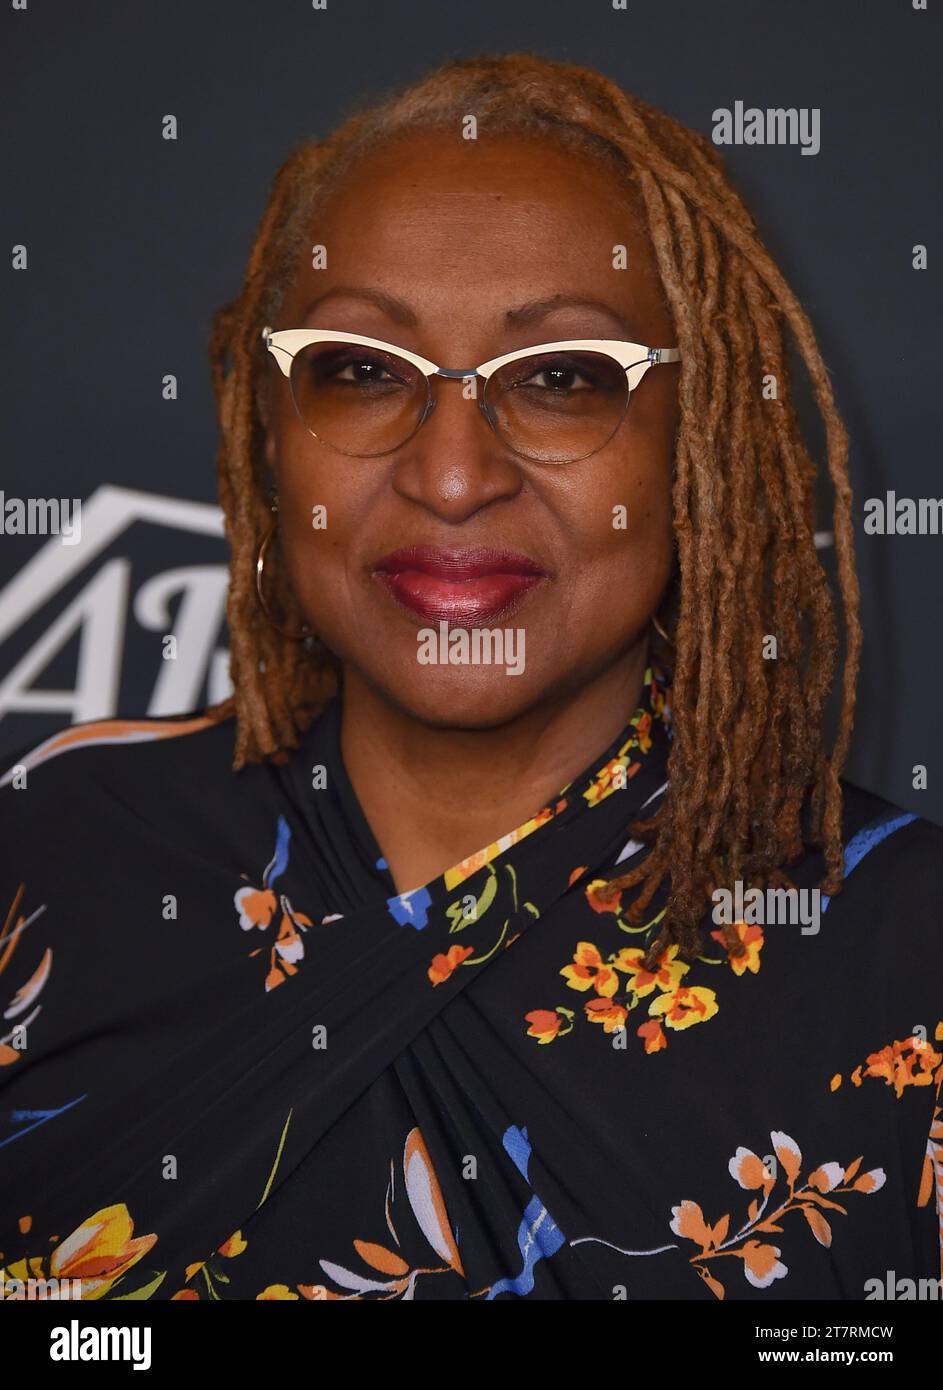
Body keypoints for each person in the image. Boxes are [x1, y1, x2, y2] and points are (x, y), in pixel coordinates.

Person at [1, 52, 940, 1303]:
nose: (452, 475)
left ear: (701, 447)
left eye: (562, 379)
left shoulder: (899, 955)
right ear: (263, 429)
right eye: (362, 368)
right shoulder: (54, 852)